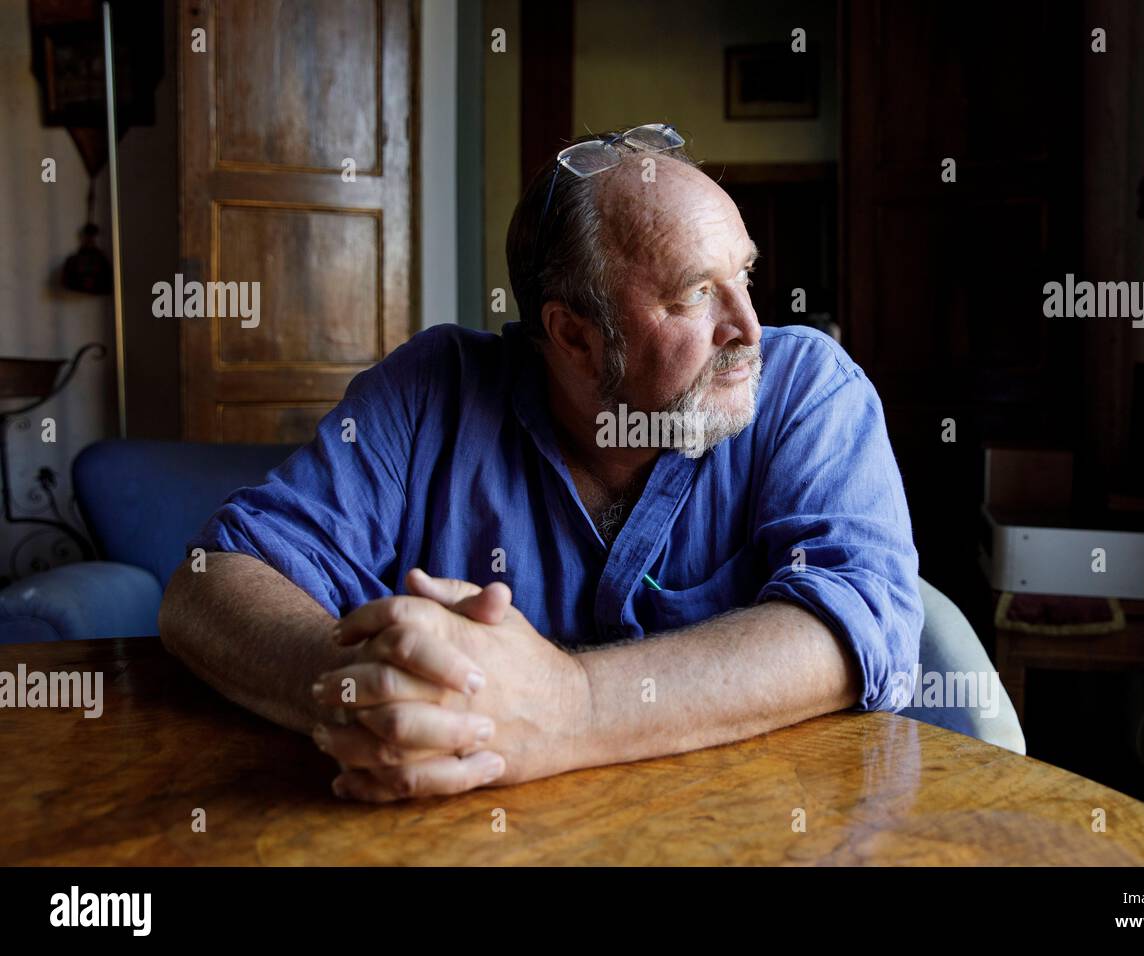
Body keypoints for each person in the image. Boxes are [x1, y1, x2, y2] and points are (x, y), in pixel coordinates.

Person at [159, 124, 924, 802]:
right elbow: (210, 585)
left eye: (745, 276)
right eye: (695, 295)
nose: (749, 328)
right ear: (574, 336)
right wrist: (383, 694)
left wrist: (570, 707)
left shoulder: (807, 389)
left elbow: (862, 622)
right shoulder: (432, 391)